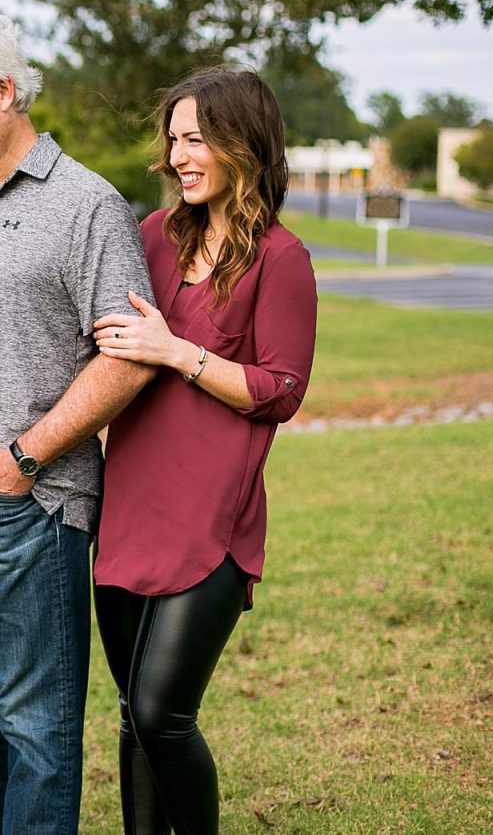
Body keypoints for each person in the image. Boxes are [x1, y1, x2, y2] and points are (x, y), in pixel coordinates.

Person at [0, 15, 156, 835]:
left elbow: (129, 355)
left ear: (4, 90)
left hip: (31, 508)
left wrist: (25, 457)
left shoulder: (88, 205)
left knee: (36, 732)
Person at [92, 68, 317, 835]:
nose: (177, 156)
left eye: (195, 140)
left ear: (241, 144)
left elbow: (281, 388)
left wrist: (176, 351)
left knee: (163, 712)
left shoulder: (281, 258)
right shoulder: (152, 237)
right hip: (127, 510)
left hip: (213, 521)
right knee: (133, 713)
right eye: (174, 140)